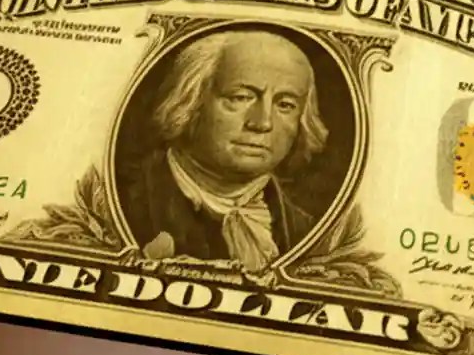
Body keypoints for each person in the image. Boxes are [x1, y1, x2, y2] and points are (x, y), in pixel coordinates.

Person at [118, 28, 330, 273]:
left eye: (285, 105)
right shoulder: (128, 202)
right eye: (240, 98)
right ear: (190, 101)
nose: (262, 123)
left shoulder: (308, 232)